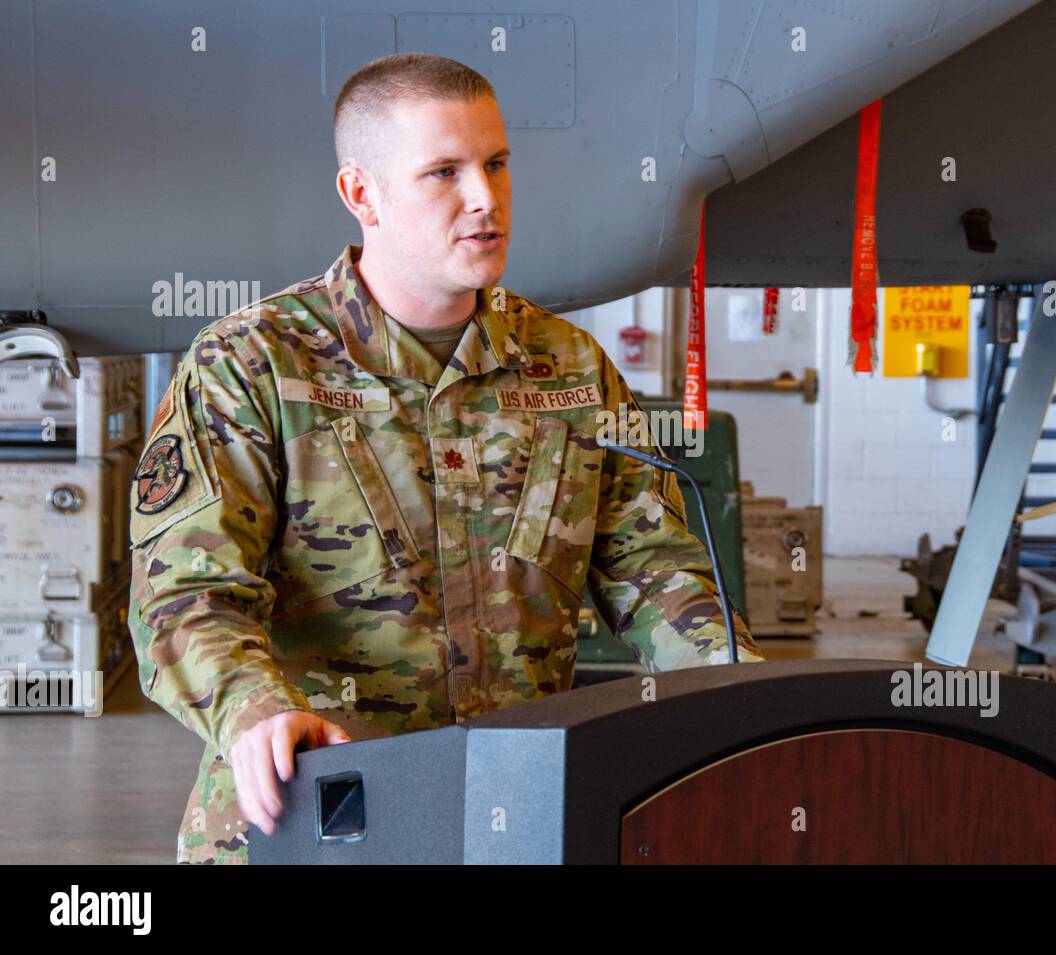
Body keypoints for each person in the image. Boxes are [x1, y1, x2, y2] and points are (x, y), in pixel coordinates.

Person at [127, 52, 765, 865]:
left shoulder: (567, 369)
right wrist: (254, 710)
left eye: (496, 164)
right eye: (443, 172)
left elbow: (656, 572)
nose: (485, 199)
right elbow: (183, 597)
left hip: (515, 819)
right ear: (363, 194)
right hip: (317, 823)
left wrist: (749, 702)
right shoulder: (251, 366)